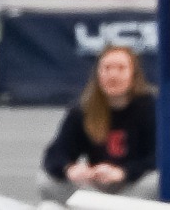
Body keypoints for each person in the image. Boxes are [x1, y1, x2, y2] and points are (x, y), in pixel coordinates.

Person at [39, 45, 159, 203]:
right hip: (96, 187)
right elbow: (55, 155)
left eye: (121, 68)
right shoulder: (83, 109)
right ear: (97, 74)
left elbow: (161, 157)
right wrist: (70, 169)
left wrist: (123, 172)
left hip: (133, 184)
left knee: (166, 181)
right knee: (46, 181)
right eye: (107, 68)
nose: (113, 75)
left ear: (134, 75)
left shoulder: (150, 107)